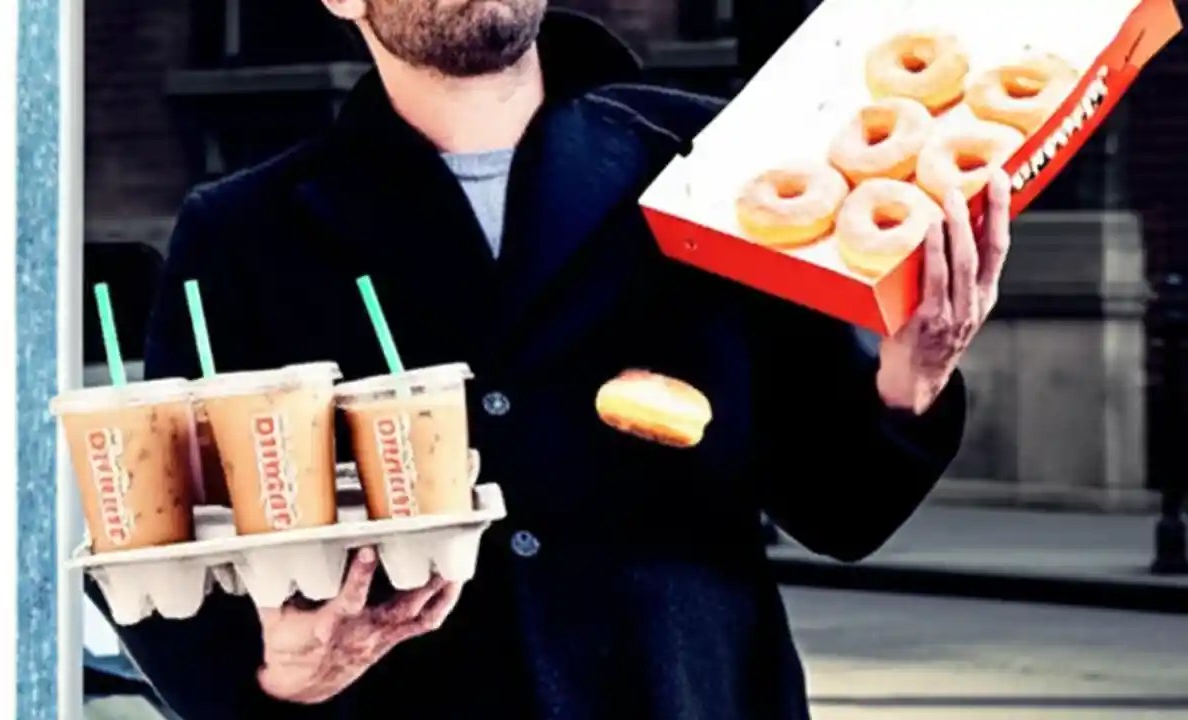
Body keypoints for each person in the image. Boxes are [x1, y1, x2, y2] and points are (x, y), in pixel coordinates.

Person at [96, 3, 1011, 718]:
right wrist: (275, 673)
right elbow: (168, 561)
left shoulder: (715, 168)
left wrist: (912, 377)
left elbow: (839, 507)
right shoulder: (246, 233)